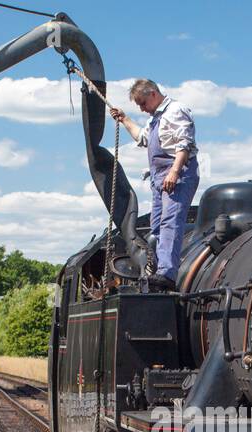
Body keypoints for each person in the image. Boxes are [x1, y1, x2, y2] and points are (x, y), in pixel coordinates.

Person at [111, 79, 199, 289]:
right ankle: (161, 269)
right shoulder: (154, 120)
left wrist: (174, 172)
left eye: (142, 103)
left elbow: (184, 143)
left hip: (177, 174)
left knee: (170, 222)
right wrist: (124, 119)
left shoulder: (176, 110)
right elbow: (143, 138)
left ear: (153, 94)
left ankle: (168, 273)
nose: (142, 108)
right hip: (158, 178)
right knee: (157, 225)